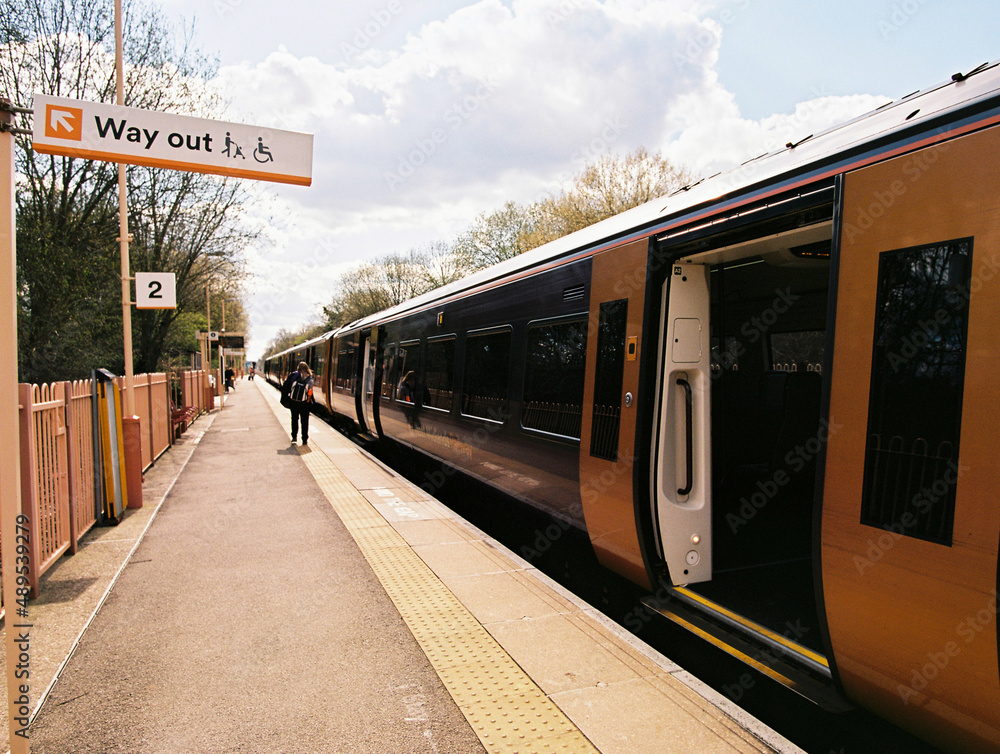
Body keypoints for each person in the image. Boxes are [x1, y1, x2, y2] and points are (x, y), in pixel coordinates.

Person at [283, 361, 314, 445]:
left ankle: (294, 437)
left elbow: (287, 386)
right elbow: (310, 392)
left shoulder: (294, 375)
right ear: (307, 368)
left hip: (294, 402)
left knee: (294, 419)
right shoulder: (309, 378)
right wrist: (309, 401)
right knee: (304, 421)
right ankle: (304, 439)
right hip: (304, 403)